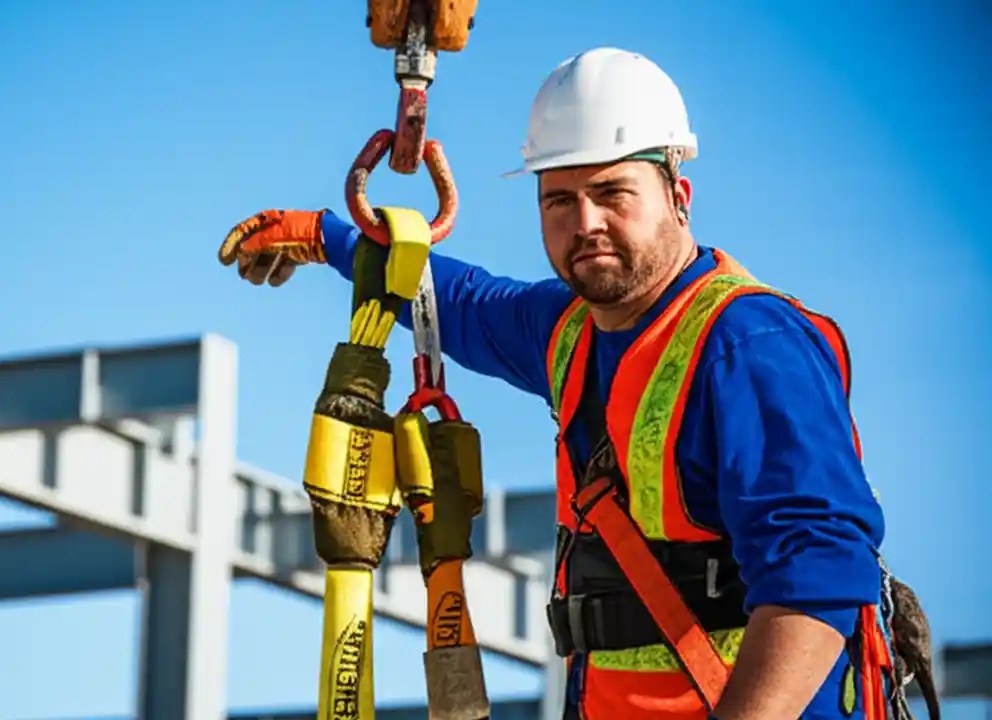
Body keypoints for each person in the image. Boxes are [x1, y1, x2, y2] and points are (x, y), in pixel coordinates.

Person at [218, 47, 903, 720]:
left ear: (678, 195)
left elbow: (816, 580)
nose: (586, 224)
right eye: (560, 201)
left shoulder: (750, 344)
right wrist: (327, 238)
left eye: (612, 194)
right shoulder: (572, 331)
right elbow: (461, 301)